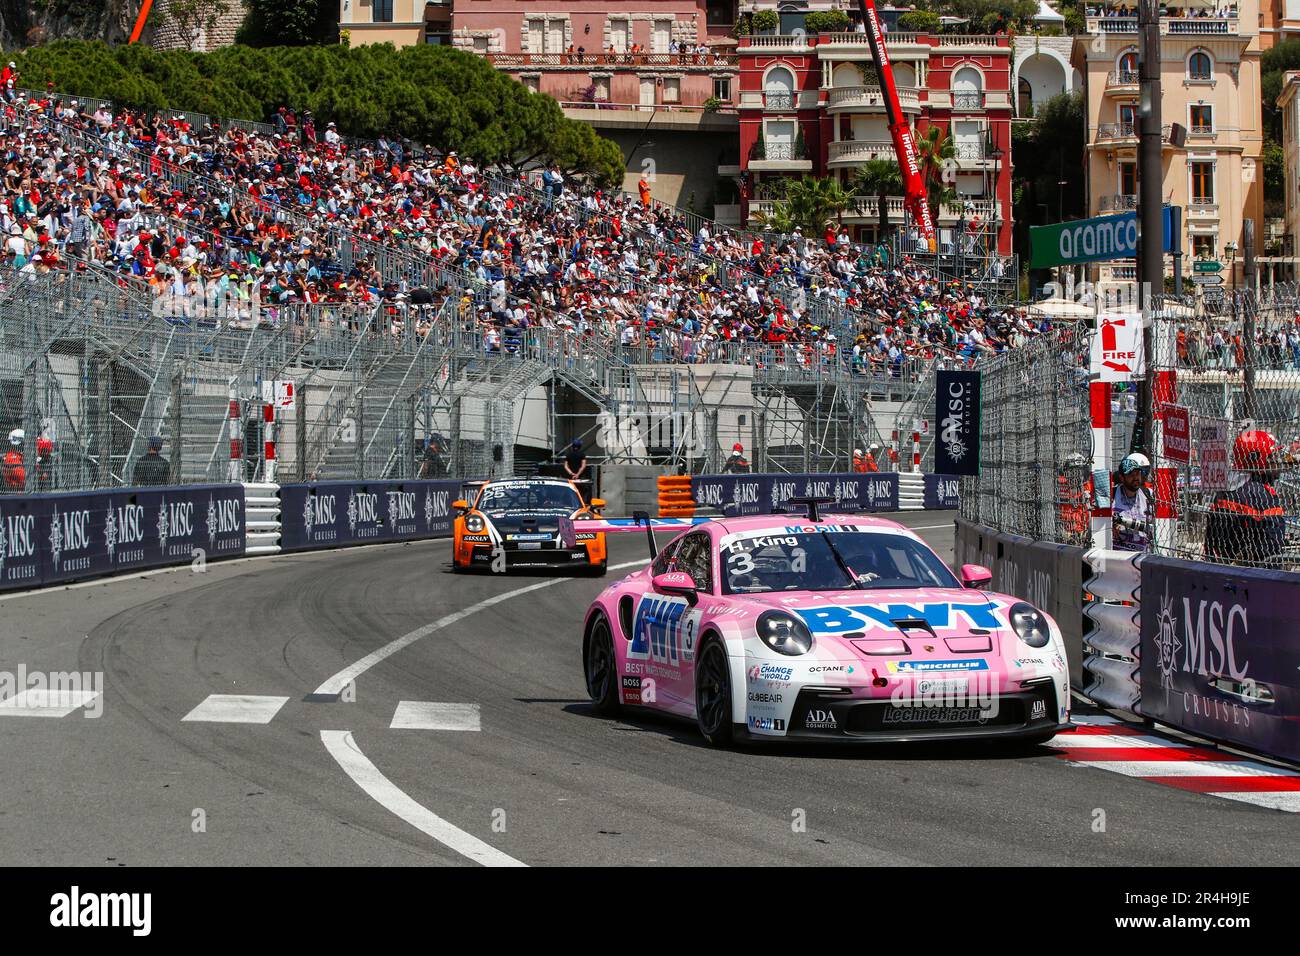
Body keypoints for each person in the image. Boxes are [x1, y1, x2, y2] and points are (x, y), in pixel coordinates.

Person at [1204, 430, 1286, 565]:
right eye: (1272, 458)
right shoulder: (1259, 494)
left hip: (1223, 563)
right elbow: (1272, 541)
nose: (1277, 463)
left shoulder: (1229, 486)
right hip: (1256, 571)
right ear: (1256, 460)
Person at [1112, 452, 1151, 552]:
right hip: (1117, 555)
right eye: (1131, 474)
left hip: (1142, 555)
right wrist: (1110, 525)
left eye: (1137, 473)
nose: (1135, 478)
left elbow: (1156, 525)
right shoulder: (1112, 495)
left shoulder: (1149, 495)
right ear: (1122, 478)